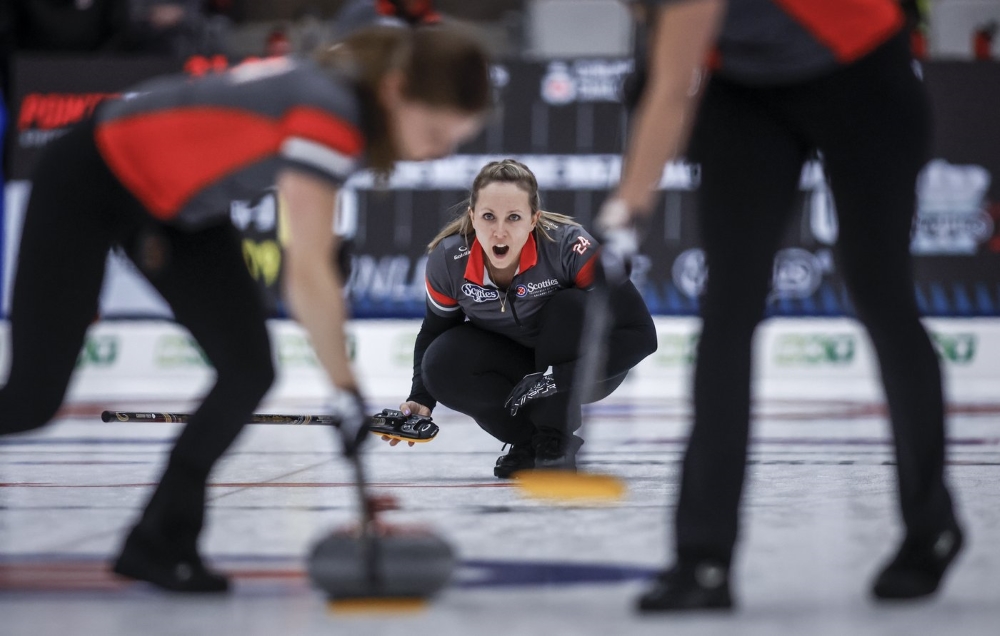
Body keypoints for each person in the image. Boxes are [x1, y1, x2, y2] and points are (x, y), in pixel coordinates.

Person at [0, 23, 491, 593]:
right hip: (91, 175)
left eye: (455, 140)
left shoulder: (351, 108)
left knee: (248, 369)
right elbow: (305, 272)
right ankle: (159, 540)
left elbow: (318, 256)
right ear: (395, 89)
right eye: (434, 131)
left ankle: (159, 543)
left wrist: (344, 386)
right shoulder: (331, 112)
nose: (439, 151)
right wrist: (345, 389)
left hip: (179, 207)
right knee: (32, 400)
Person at [596, 0, 964, 612]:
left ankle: (933, 526)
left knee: (881, 294)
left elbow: (672, 86)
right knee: (728, 310)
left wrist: (626, 210)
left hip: (863, 69)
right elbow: (667, 71)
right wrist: (623, 217)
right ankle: (704, 558)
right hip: (745, 89)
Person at [385, 159, 657, 477]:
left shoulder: (570, 247)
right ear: (472, 217)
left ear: (533, 220)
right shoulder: (448, 260)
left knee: (568, 306)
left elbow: (641, 335)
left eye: (513, 217)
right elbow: (435, 331)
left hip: (581, 369)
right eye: (488, 217)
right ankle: (530, 442)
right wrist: (420, 398)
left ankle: (554, 439)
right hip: (518, 367)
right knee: (441, 363)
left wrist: (557, 378)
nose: (499, 232)